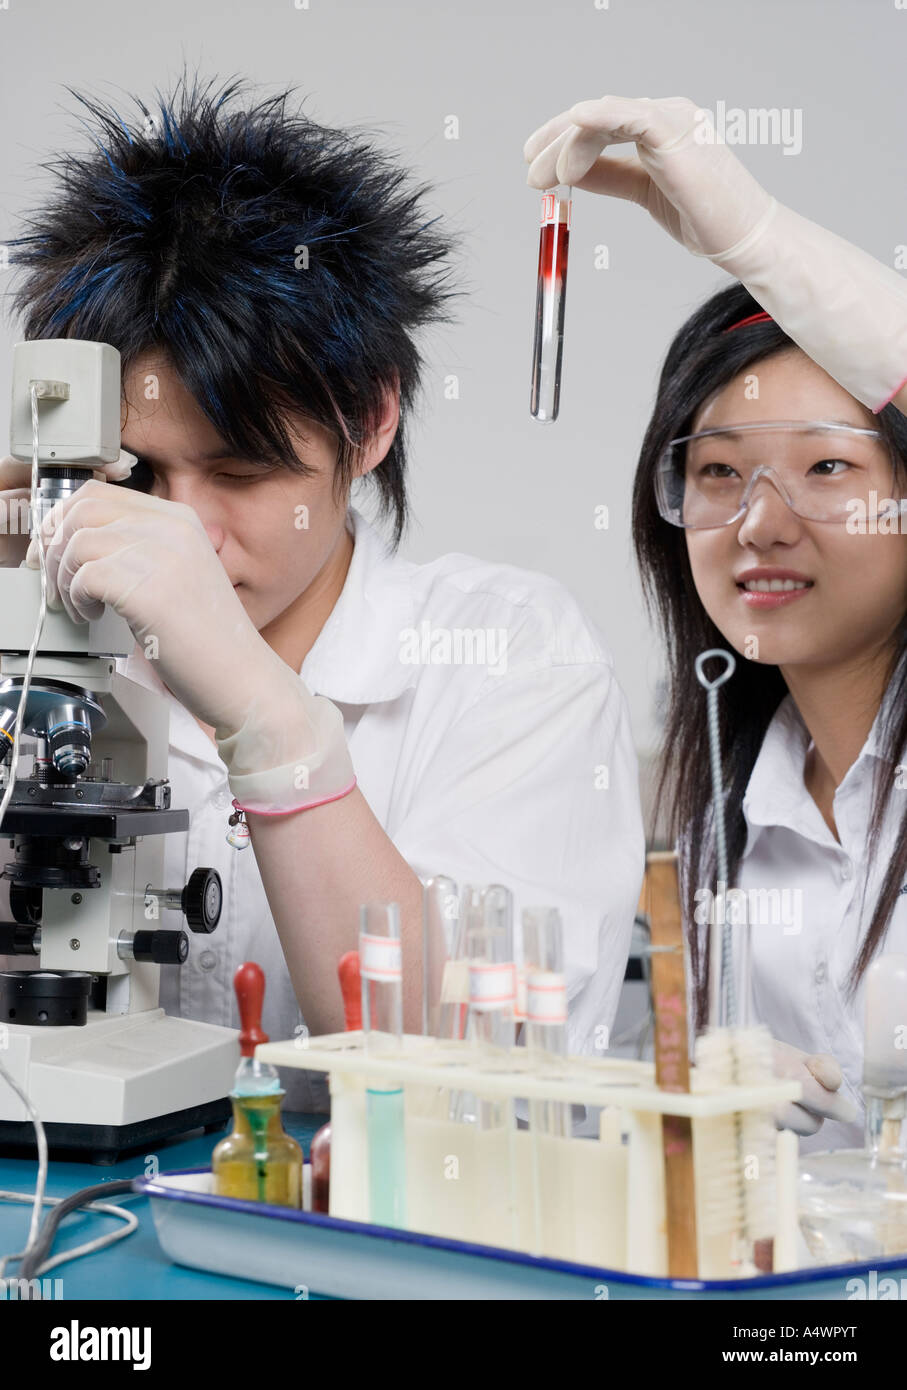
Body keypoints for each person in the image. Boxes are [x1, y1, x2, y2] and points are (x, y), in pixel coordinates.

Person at [0, 75, 645, 1109]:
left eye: (243, 473)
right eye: (140, 477)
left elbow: (483, 1083)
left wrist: (269, 721)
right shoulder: (43, 644)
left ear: (370, 419)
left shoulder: (513, 655)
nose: (186, 533)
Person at [525, 93, 907, 1150]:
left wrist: (759, 239)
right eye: (719, 473)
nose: (760, 522)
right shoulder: (722, 824)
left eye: (826, 466)